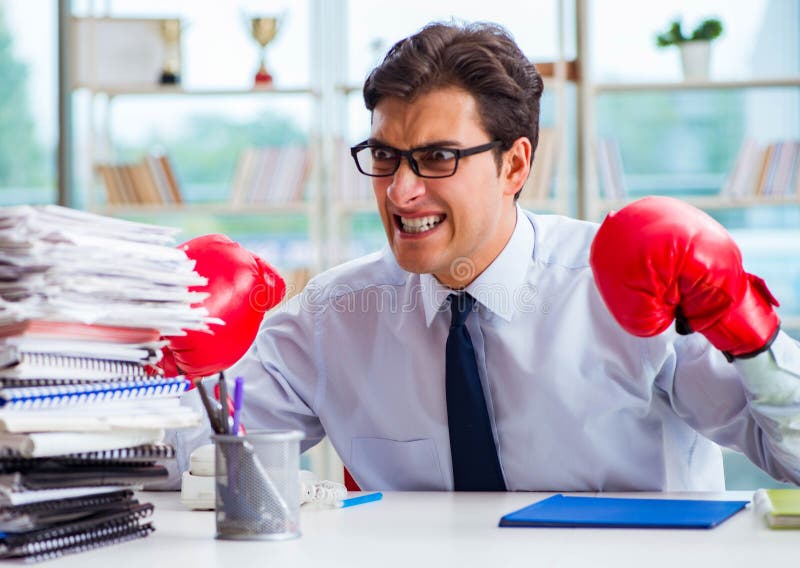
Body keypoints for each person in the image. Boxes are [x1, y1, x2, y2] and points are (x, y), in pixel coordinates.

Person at [161, 21, 800, 492]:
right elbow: (185, 464)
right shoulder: (336, 314)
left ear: (514, 165)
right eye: (384, 156)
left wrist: (749, 328)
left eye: (438, 157)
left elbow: (789, 461)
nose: (401, 191)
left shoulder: (621, 289)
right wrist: (161, 366)